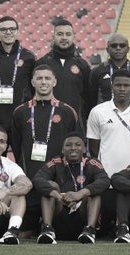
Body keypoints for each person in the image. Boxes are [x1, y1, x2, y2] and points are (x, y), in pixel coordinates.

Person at [10, 64, 79, 232]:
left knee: (63, 231)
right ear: (33, 82)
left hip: (57, 182)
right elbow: (16, 146)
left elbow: (75, 145)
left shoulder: (67, 111)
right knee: (25, 232)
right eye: (39, 78)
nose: (43, 82)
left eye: (47, 78)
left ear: (54, 82)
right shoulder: (20, 112)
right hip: (29, 181)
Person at [32, 132, 109, 244]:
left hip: (82, 215)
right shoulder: (55, 161)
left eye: (78, 145)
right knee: (51, 186)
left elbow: (105, 180)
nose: (73, 148)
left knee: (93, 192)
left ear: (84, 149)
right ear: (63, 149)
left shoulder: (92, 163)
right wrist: (58, 196)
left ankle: (90, 230)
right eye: (68, 145)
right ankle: (47, 229)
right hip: (60, 214)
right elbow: (38, 179)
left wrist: (81, 194)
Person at [87, 71, 130, 182]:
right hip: (106, 174)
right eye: (118, 85)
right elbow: (94, 147)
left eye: (126, 85)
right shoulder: (97, 111)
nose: (122, 88)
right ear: (112, 86)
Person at [0, 16, 36, 136]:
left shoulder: (29, 57)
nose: (8, 32)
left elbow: (34, 89)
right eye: (4, 29)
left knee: (22, 154)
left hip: (22, 117)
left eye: (12, 29)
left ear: (17, 31)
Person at [37, 19, 91, 122]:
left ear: (73, 37)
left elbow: (88, 97)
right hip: (47, 120)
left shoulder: (82, 65)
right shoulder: (42, 63)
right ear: (53, 37)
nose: (64, 38)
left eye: (68, 34)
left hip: (75, 121)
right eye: (60, 34)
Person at [87, 33, 130, 107]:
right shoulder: (97, 71)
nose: (118, 48)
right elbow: (91, 98)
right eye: (114, 46)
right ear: (107, 49)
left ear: (128, 49)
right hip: (105, 115)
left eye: (122, 45)